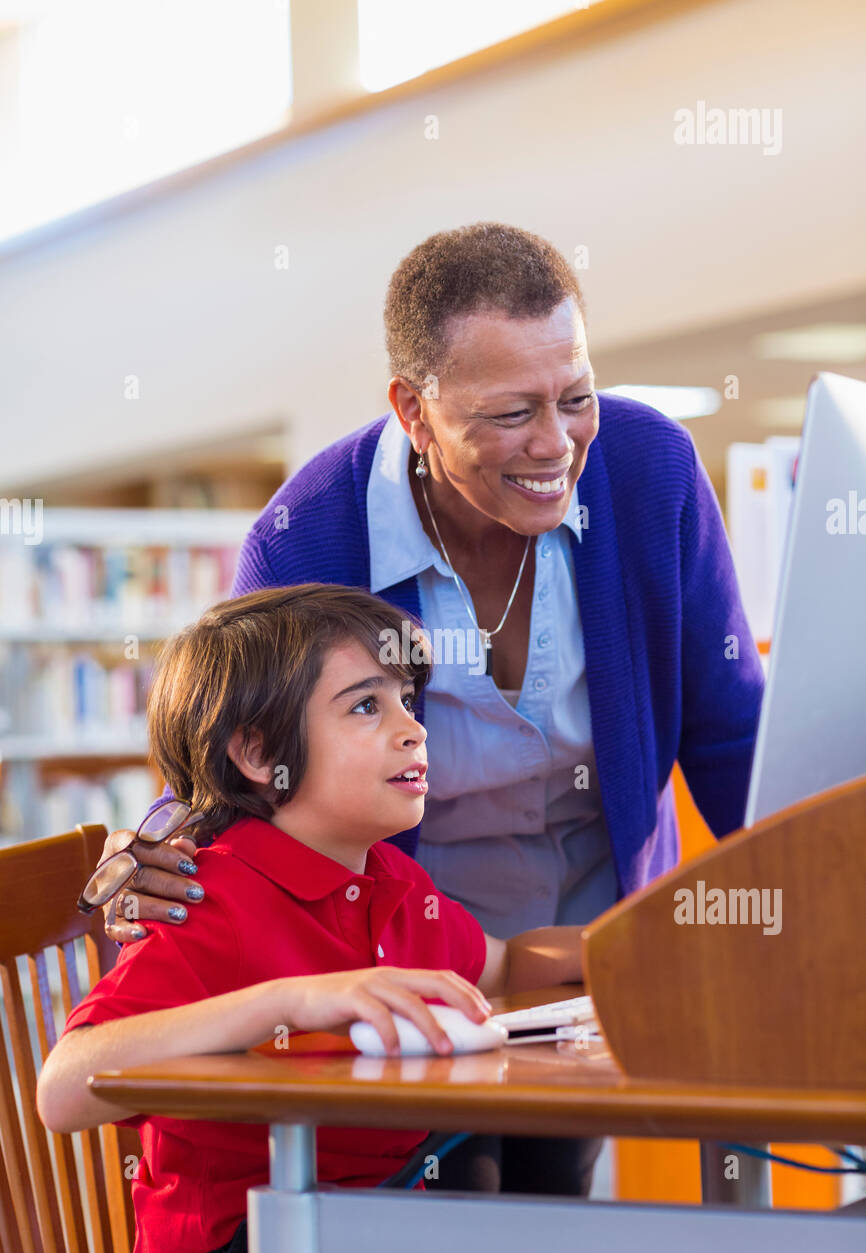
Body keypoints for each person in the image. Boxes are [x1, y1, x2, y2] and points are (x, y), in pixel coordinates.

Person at [94, 222, 764, 1198]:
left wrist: (797, 901)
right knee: (446, 1204)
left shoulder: (646, 472)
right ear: (413, 409)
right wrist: (153, 846)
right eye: (507, 414)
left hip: (576, 943)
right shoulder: (308, 532)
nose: (554, 443)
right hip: (401, 952)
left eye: (574, 398)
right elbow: (230, 758)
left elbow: (729, 729)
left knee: (552, 1211)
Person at [38, 583, 603, 1253]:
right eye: (367, 706)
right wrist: (295, 1001)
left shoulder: (394, 880)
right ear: (257, 752)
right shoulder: (211, 897)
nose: (412, 728)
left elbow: (509, 963)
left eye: (406, 700)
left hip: (366, 1230)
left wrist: (637, 942)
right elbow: (63, 1091)